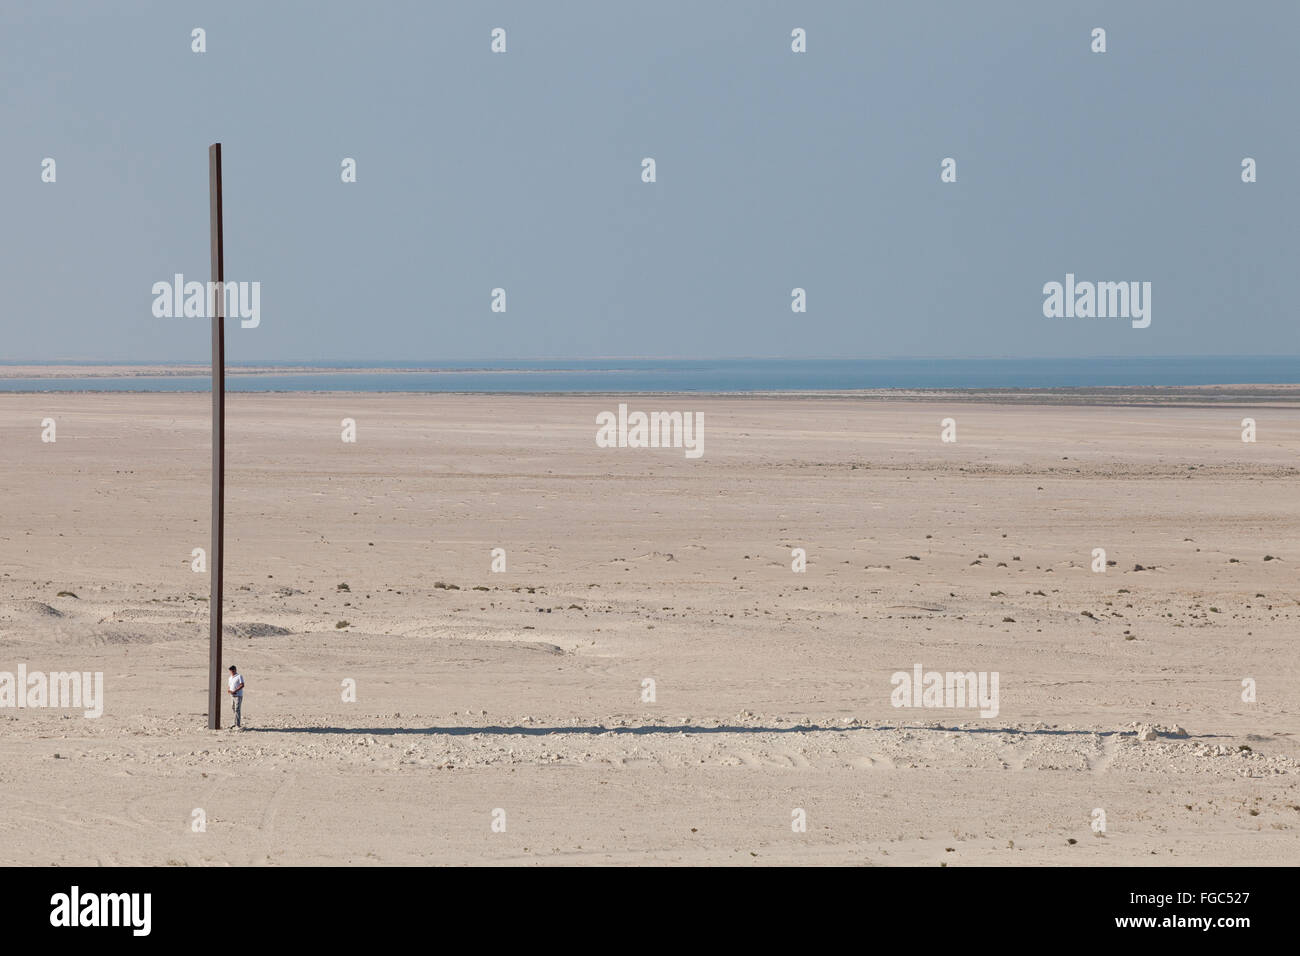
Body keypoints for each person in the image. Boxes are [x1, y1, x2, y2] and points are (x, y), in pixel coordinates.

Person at [227, 664, 245, 729]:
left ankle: (237, 724)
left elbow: (242, 685)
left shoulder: (239, 676)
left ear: (235, 670)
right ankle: (235, 722)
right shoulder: (230, 678)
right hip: (232, 695)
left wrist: (235, 690)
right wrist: (229, 690)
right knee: (233, 708)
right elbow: (229, 686)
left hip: (238, 695)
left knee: (237, 709)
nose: (231, 672)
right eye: (230, 671)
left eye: (232, 670)